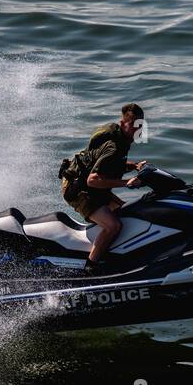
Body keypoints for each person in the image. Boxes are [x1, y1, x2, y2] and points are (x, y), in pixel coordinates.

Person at [59, 103, 147, 268]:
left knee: (128, 211)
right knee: (114, 226)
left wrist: (135, 166)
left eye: (140, 125)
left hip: (91, 188)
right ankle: (91, 268)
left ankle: (114, 255)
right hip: (78, 189)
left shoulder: (122, 140)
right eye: (134, 125)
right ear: (123, 124)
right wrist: (125, 183)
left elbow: (112, 165)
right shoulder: (114, 146)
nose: (138, 129)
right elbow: (92, 179)